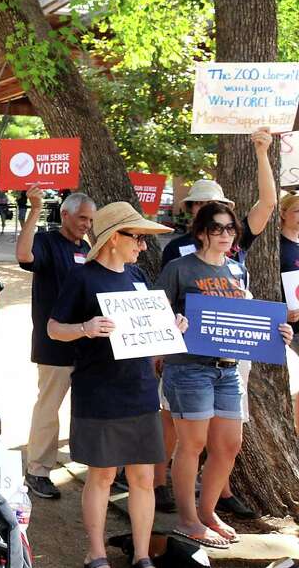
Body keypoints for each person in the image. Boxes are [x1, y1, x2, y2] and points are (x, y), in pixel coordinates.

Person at [47, 202, 179, 568]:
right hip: (98, 389)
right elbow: (53, 329)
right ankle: (96, 553)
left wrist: (172, 328)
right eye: (137, 237)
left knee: (143, 475)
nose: (142, 245)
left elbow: (149, 330)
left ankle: (142, 556)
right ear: (113, 238)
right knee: (102, 474)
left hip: (140, 389)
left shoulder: (137, 275)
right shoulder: (82, 277)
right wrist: (85, 328)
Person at [155, 201, 293, 548]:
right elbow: (154, 315)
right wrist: (171, 324)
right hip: (188, 368)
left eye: (230, 228)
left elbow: (246, 320)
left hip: (228, 369)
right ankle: (188, 519)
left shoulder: (237, 271)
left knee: (229, 445)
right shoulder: (179, 269)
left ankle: (208, 512)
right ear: (201, 232)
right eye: (217, 228)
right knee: (192, 444)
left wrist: (278, 332)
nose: (225, 234)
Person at [16, 186, 96, 499]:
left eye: (90, 220)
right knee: (49, 408)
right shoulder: (47, 241)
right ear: (65, 214)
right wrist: (35, 209)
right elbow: (24, 256)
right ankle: (37, 470)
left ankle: (99, 468)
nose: (87, 224)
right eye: (82, 218)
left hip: (87, 342)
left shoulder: (87, 247)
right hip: (54, 343)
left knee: (89, 407)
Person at [161, 129, 275, 267]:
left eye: (212, 203)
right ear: (191, 208)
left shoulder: (237, 234)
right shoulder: (175, 248)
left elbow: (268, 203)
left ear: (223, 207)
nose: (207, 208)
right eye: (199, 203)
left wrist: (262, 153)